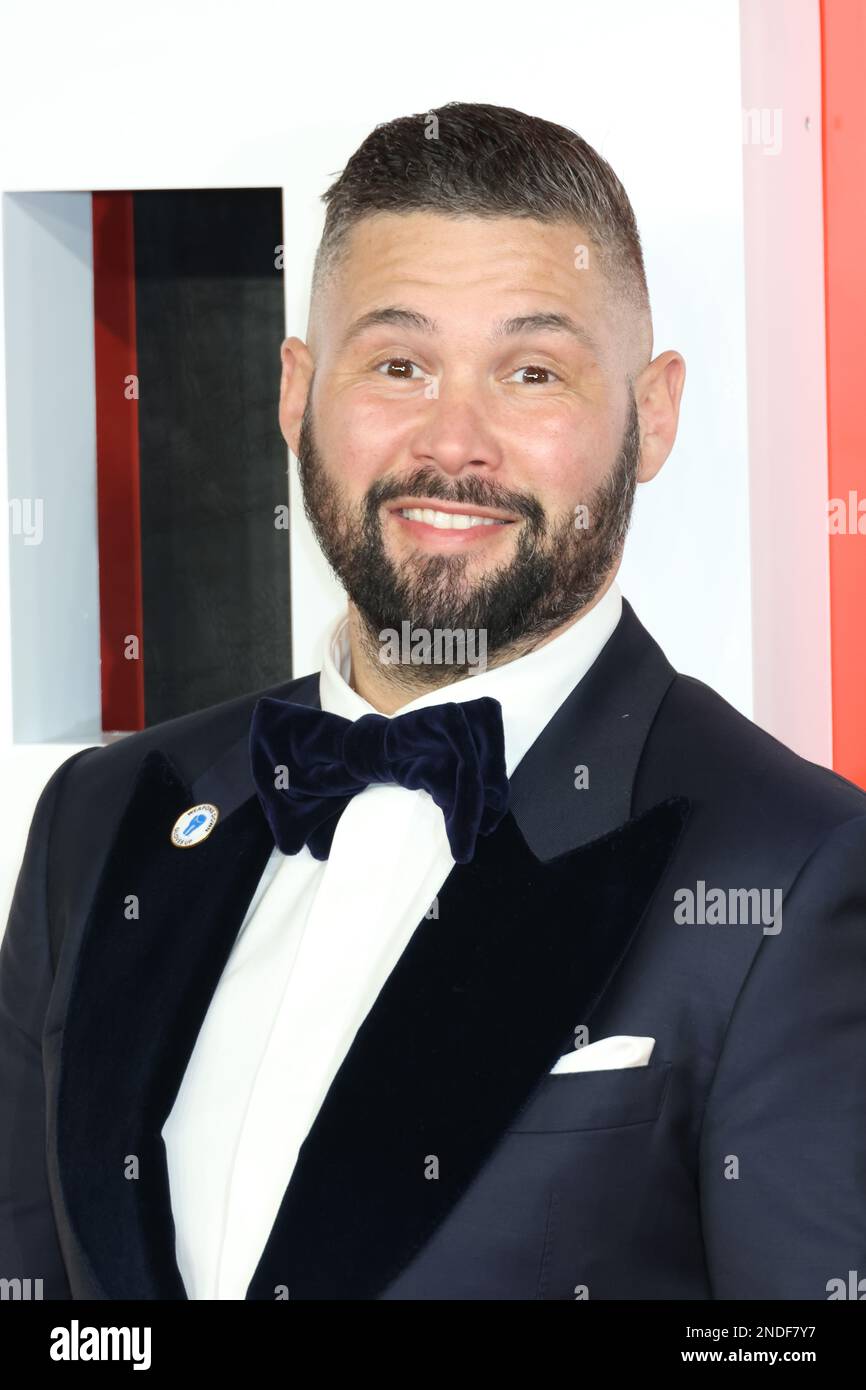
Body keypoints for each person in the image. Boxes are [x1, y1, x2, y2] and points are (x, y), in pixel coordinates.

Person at [2, 101, 865, 1302]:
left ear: (650, 413)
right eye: (397, 363)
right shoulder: (100, 819)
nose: (452, 442)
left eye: (530, 371)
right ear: (297, 392)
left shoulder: (792, 867)